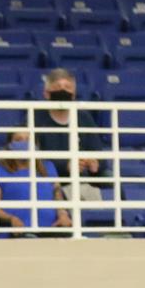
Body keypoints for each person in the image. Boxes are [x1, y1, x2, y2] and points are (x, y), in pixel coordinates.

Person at [31, 69, 109, 204]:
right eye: (57, 87)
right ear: (46, 93)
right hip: (50, 180)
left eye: (67, 88)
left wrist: (95, 163)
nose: (63, 92)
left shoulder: (84, 117)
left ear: (73, 95)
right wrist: (66, 165)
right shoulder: (35, 118)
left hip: (84, 178)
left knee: (112, 181)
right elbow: (32, 159)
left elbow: (99, 153)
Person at [0, 137, 70, 233]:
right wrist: (11, 219)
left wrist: (63, 214)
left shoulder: (48, 166)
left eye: (28, 140)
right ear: (9, 144)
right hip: (16, 232)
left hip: (52, 230)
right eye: (18, 140)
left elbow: (57, 194)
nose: (24, 143)